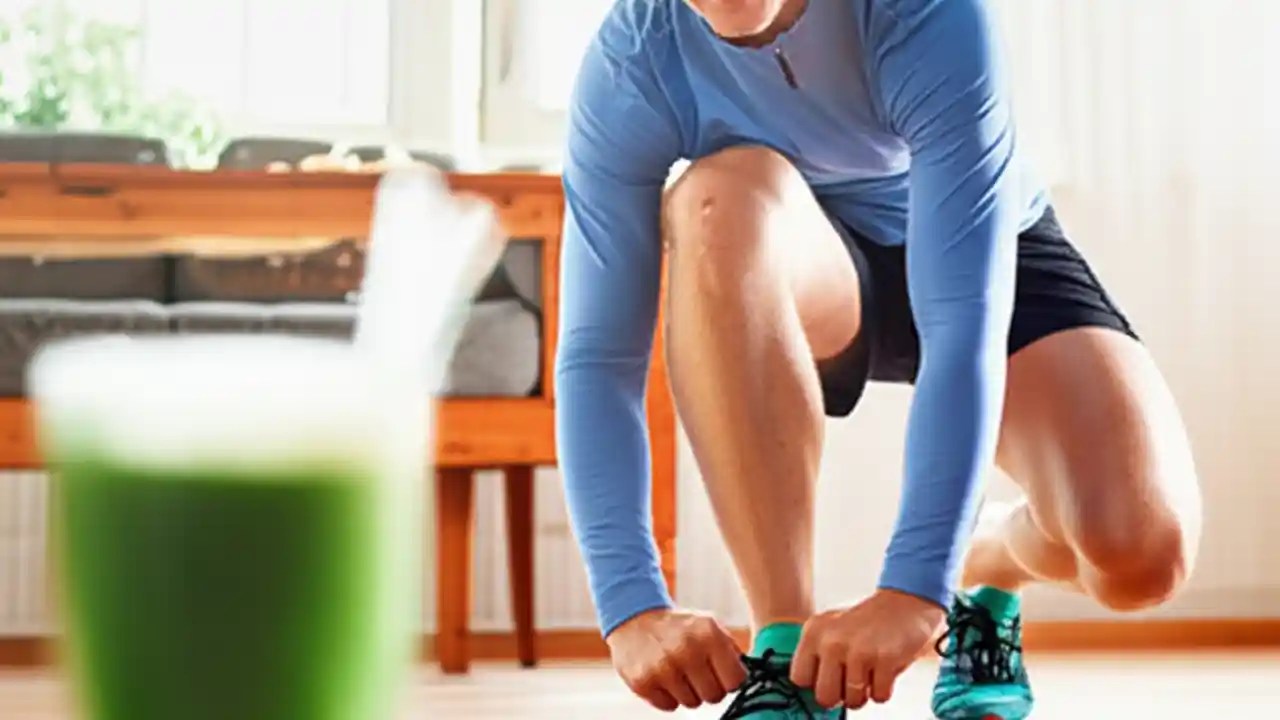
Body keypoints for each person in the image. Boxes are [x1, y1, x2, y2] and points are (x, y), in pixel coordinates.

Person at [554, 0, 1203, 717]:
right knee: (715, 200)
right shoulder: (634, 60)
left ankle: (986, 559)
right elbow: (598, 357)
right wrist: (630, 606)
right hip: (807, 261)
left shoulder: (923, 14)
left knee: (1143, 554)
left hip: (981, 253)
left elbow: (962, 321)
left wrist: (916, 587)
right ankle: (784, 651)